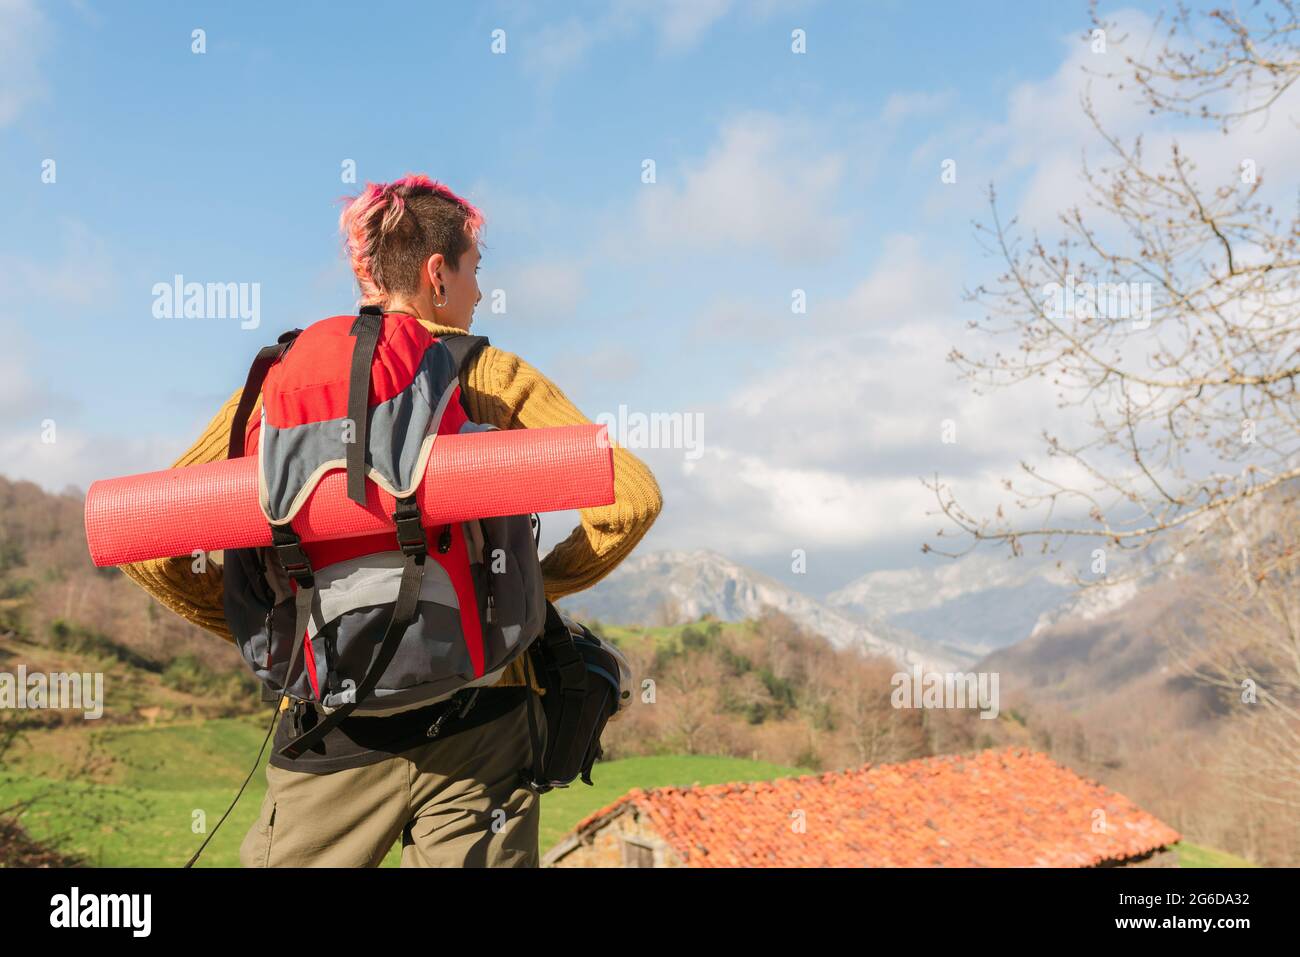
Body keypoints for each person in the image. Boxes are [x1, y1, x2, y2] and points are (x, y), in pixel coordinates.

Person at [120, 173, 663, 867]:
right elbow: (633, 497)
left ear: (364, 270)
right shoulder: (487, 372)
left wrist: (274, 628)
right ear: (437, 273)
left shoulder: (281, 389)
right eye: (473, 272)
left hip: (329, 731)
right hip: (481, 721)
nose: (478, 293)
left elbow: (148, 544)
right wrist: (527, 589)